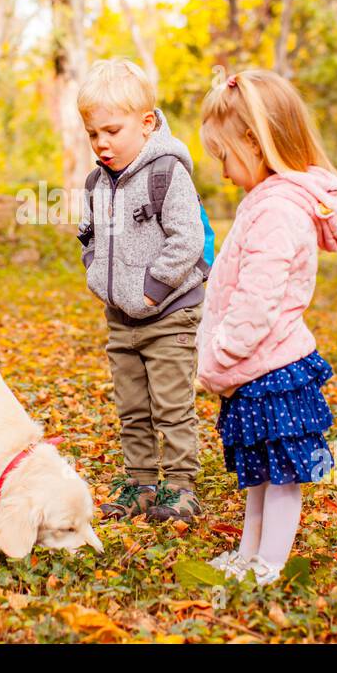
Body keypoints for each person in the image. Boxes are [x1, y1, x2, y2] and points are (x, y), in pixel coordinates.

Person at [196, 68, 337, 585]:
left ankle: (269, 563)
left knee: (281, 477)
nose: (222, 172)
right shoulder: (265, 202)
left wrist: (219, 355)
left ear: (255, 143)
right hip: (254, 370)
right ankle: (248, 555)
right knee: (260, 474)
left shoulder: (278, 210)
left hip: (269, 369)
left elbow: (256, 304)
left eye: (225, 157)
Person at [75, 58, 209, 523]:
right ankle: (141, 484)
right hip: (121, 318)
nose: (101, 142)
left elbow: (188, 239)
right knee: (132, 406)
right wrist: (97, 274)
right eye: (93, 134)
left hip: (169, 314)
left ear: (147, 123)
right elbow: (88, 235)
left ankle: (180, 487)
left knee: (171, 405)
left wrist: (153, 289)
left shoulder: (166, 172)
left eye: (111, 130)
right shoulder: (96, 182)